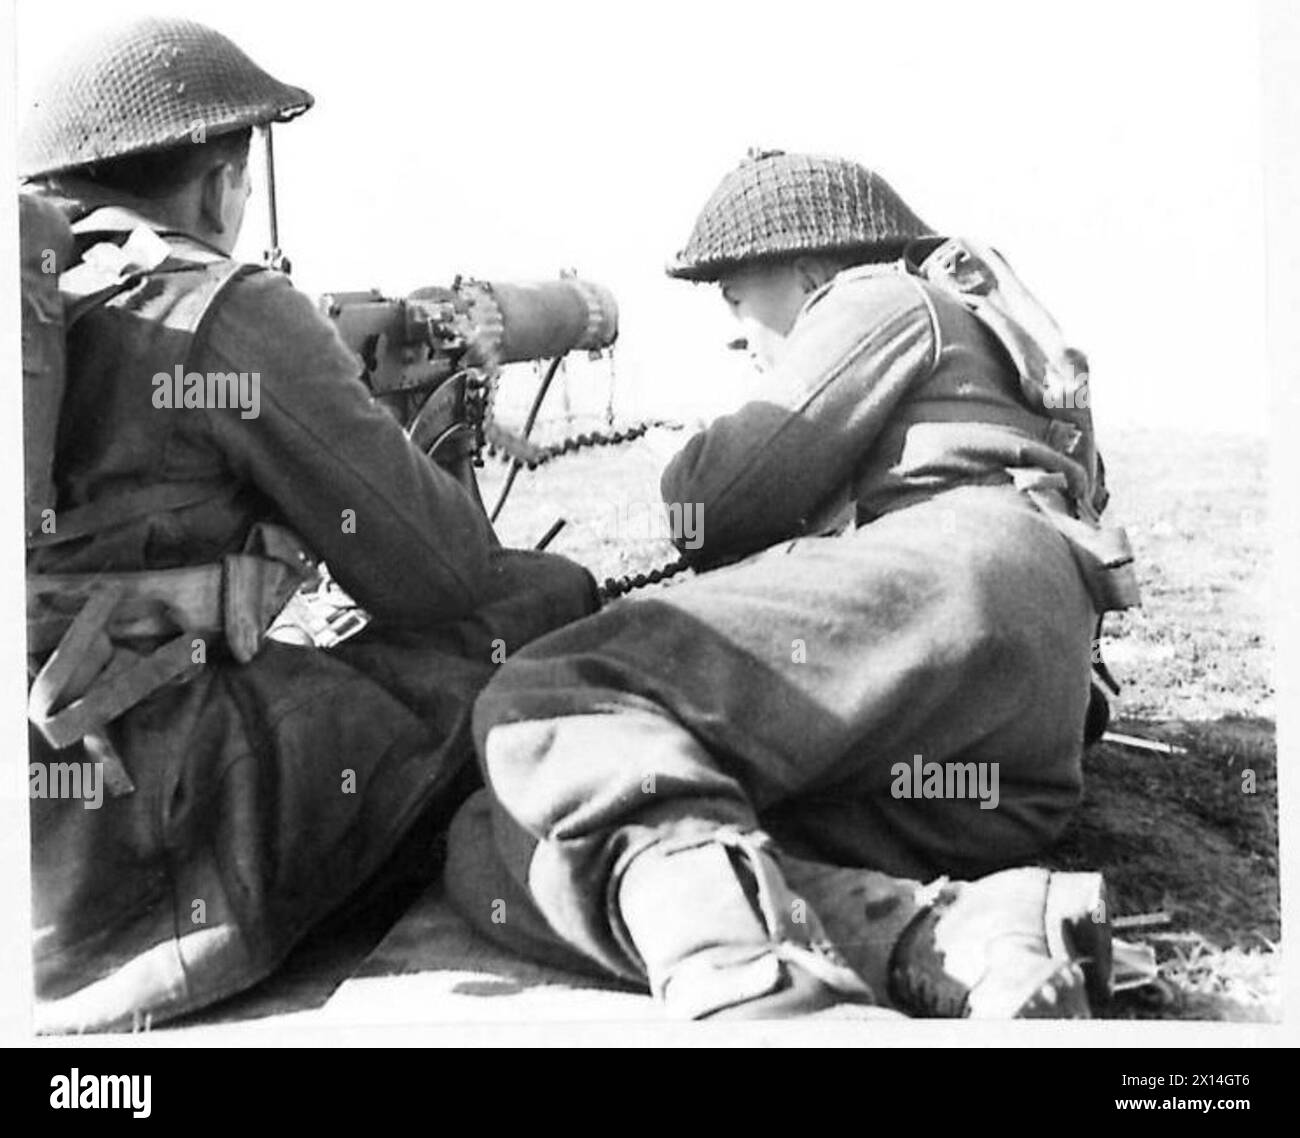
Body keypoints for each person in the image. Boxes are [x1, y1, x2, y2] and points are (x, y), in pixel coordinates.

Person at [444, 150, 1135, 1019]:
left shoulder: (878, 296)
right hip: (1005, 766)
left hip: (960, 579)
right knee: (514, 832)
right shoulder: (982, 343)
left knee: (550, 698)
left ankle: (750, 994)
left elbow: (719, 501)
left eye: (738, 296)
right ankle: (955, 937)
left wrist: (696, 456)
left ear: (811, 270)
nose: (738, 331)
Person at [21, 16, 596, 1032]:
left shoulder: (42, 295)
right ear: (217, 185)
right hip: (146, 834)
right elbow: (440, 575)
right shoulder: (218, 305)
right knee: (546, 600)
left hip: (37, 854)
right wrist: (408, 429)